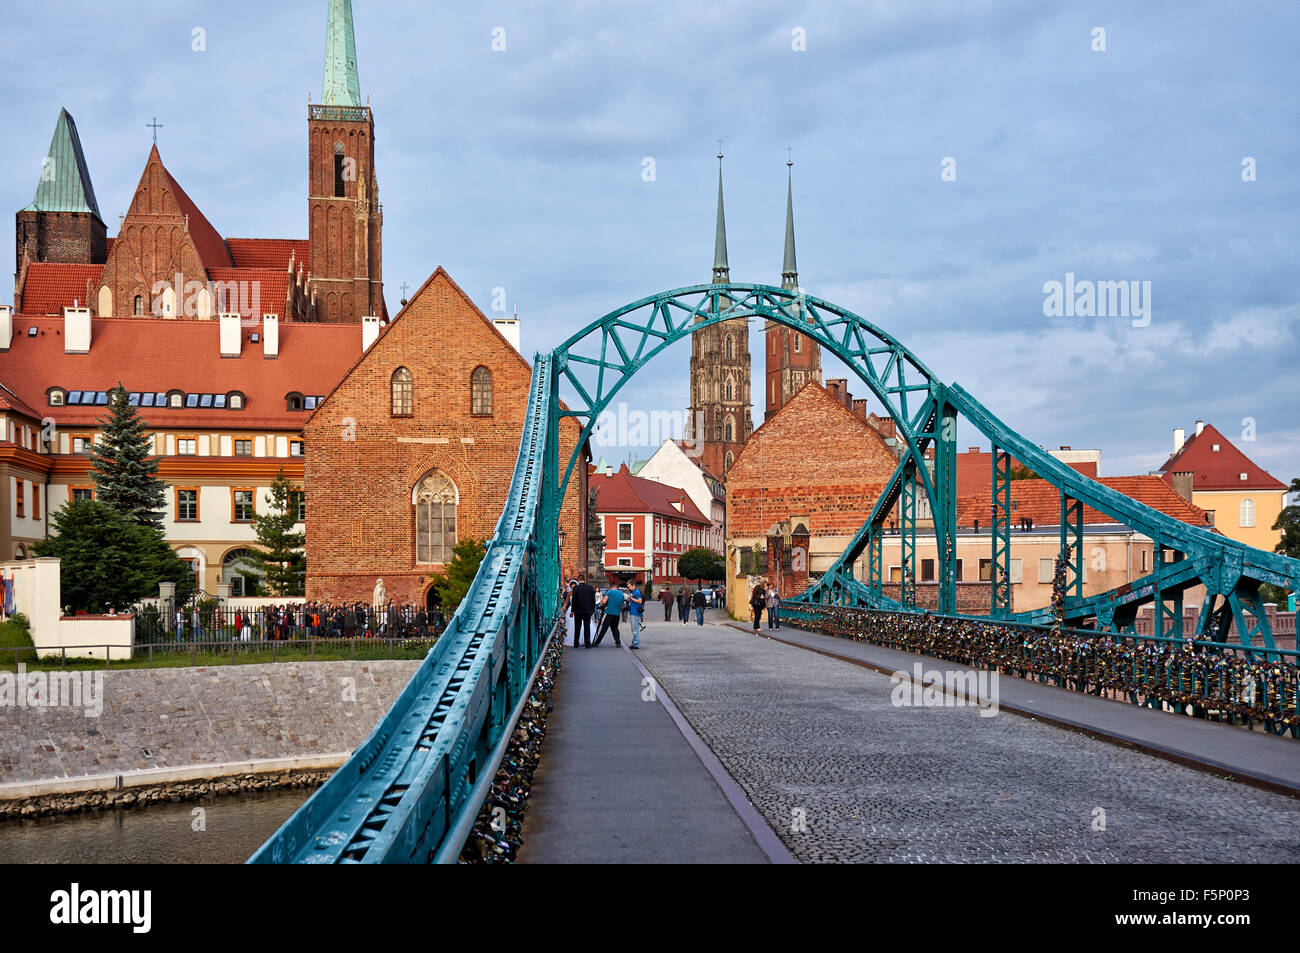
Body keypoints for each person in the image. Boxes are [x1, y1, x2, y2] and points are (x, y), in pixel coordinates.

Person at [571, 578, 596, 648]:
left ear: (579, 580)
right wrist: (592, 610)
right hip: (587, 611)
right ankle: (587, 644)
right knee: (587, 627)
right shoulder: (590, 588)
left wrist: (572, 610)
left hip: (578, 611)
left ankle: (576, 643)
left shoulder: (576, 588)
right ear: (584, 580)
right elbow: (593, 600)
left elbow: (574, 600)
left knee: (577, 628)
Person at [627, 581, 644, 649]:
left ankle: (636, 644)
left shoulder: (636, 592)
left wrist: (631, 598)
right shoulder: (634, 592)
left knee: (635, 629)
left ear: (633, 585)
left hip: (635, 613)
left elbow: (640, 601)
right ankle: (634, 643)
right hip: (633, 612)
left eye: (629, 586)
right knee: (634, 628)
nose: (629, 588)